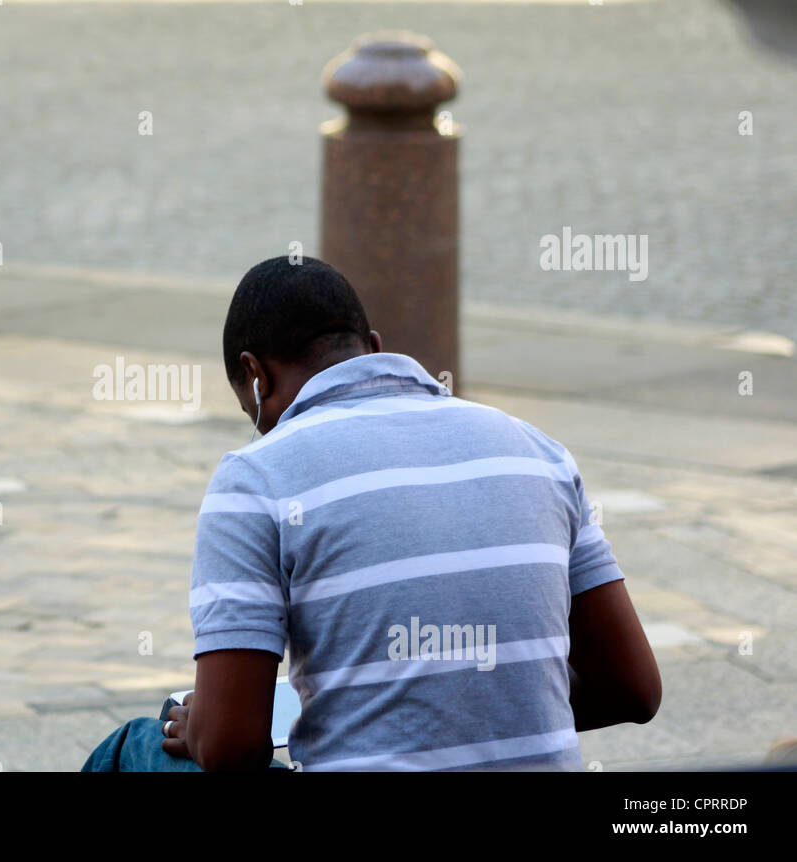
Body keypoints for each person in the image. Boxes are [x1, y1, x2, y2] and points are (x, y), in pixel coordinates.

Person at [83, 256, 661, 772]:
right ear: (375, 345)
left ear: (255, 375)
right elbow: (633, 689)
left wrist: (204, 728)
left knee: (132, 748)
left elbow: (234, 748)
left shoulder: (257, 477)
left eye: (251, 410)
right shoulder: (538, 451)